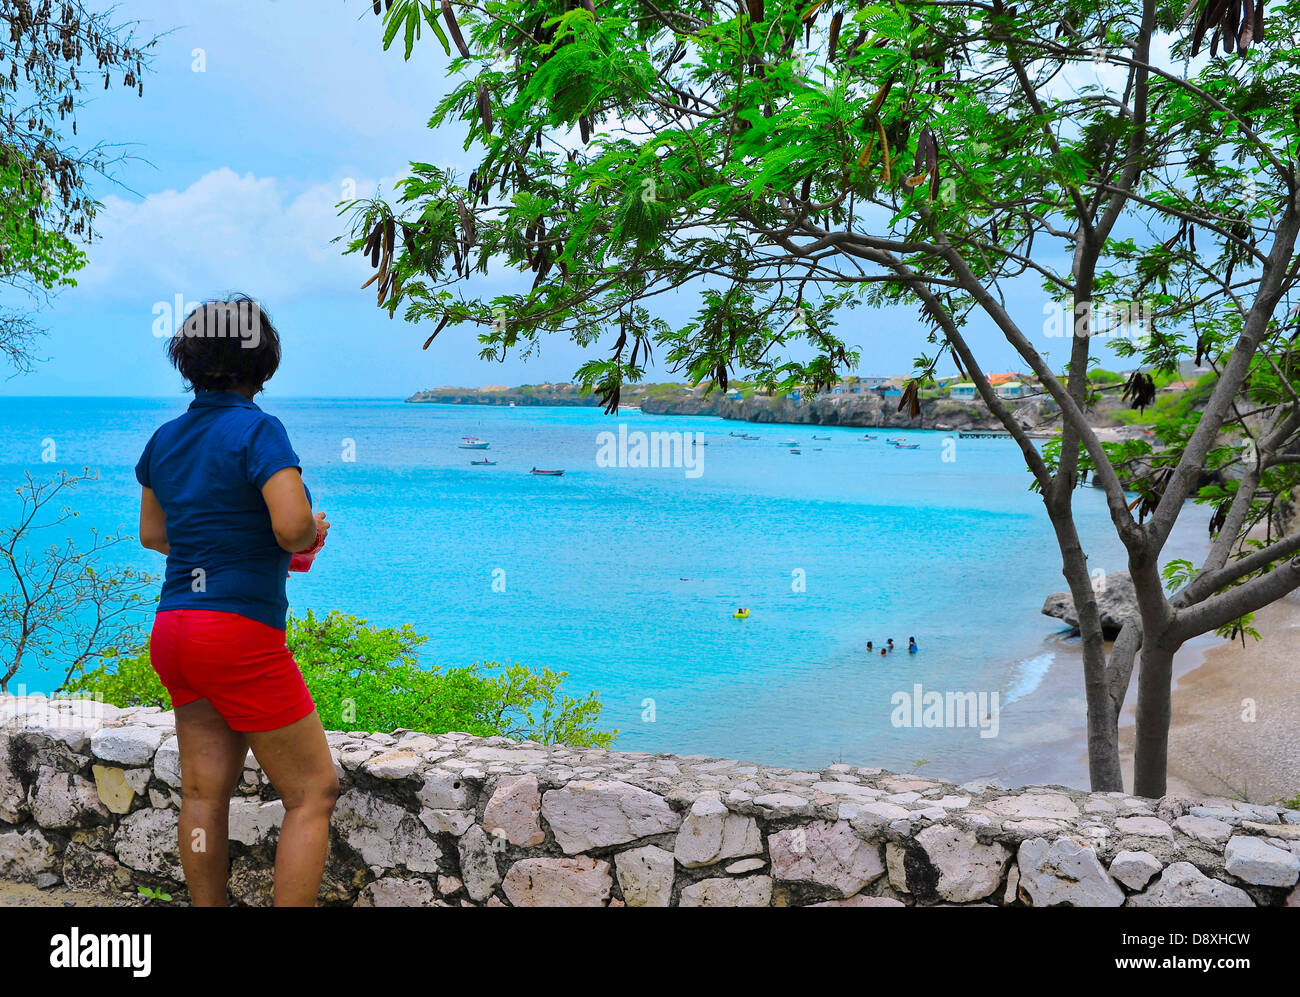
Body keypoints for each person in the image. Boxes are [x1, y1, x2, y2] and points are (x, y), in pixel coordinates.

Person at [135, 295, 338, 907]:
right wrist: (310, 532)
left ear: (191, 363)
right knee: (313, 793)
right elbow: (291, 525)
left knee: (202, 794)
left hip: (174, 629)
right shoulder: (258, 429)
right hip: (236, 633)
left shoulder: (166, 438)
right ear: (262, 363)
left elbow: (154, 536)